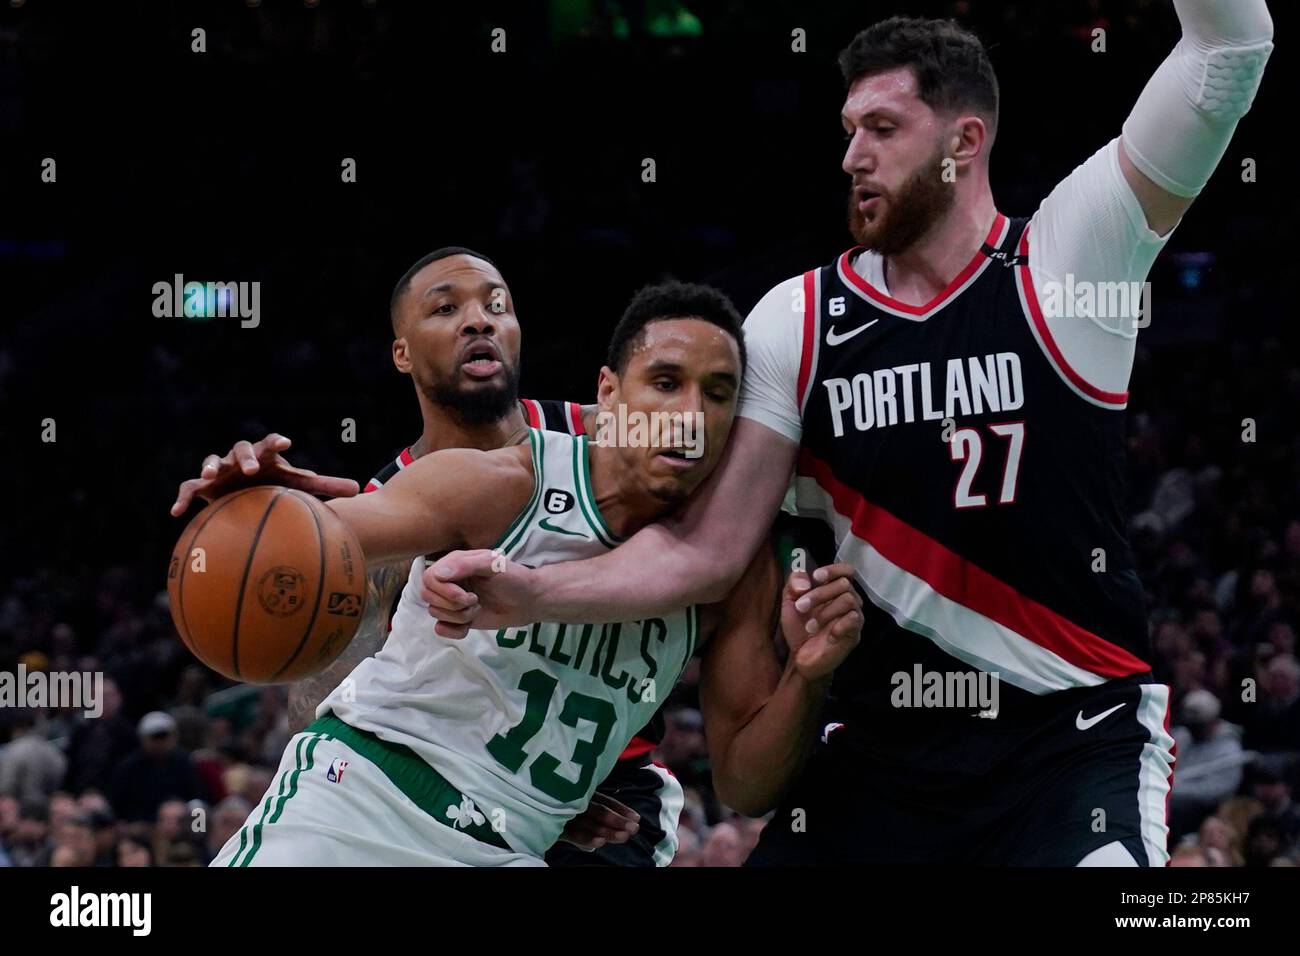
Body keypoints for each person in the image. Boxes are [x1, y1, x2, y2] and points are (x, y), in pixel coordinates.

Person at [423, 3, 1275, 865]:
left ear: (963, 142)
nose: (852, 156)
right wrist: (527, 591)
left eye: (882, 128)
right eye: (846, 130)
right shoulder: (797, 321)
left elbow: (1232, 45)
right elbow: (705, 552)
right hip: (879, 756)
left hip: (1070, 740)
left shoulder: (1065, 260)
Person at [199, 280, 861, 865]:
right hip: (363, 802)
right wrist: (255, 511)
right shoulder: (507, 481)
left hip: (510, 848)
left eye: (718, 395)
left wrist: (807, 676)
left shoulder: (730, 573)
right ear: (610, 392)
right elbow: (326, 541)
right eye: (665, 383)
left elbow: (746, 785)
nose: (691, 413)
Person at [172, 248, 681, 865]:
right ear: (402, 354)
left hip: (617, 794)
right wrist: (256, 525)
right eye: (446, 308)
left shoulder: (611, 441)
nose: (479, 321)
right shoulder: (393, 511)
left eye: (497, 306)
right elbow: (321, 704)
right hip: (465, 794)